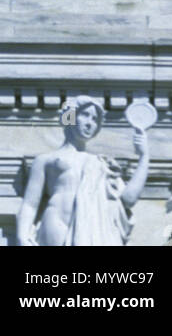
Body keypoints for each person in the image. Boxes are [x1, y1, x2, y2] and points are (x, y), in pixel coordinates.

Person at [17, 95, 149, 246]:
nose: (89, 123)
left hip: (96, 231)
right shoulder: (47, 160)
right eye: (85, 115)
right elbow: (30, 204)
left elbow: (128, 199)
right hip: (56, 226)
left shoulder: (103, 165)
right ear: (70, 117)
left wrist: (144, 156)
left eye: (94, 119)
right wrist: (22, 235)